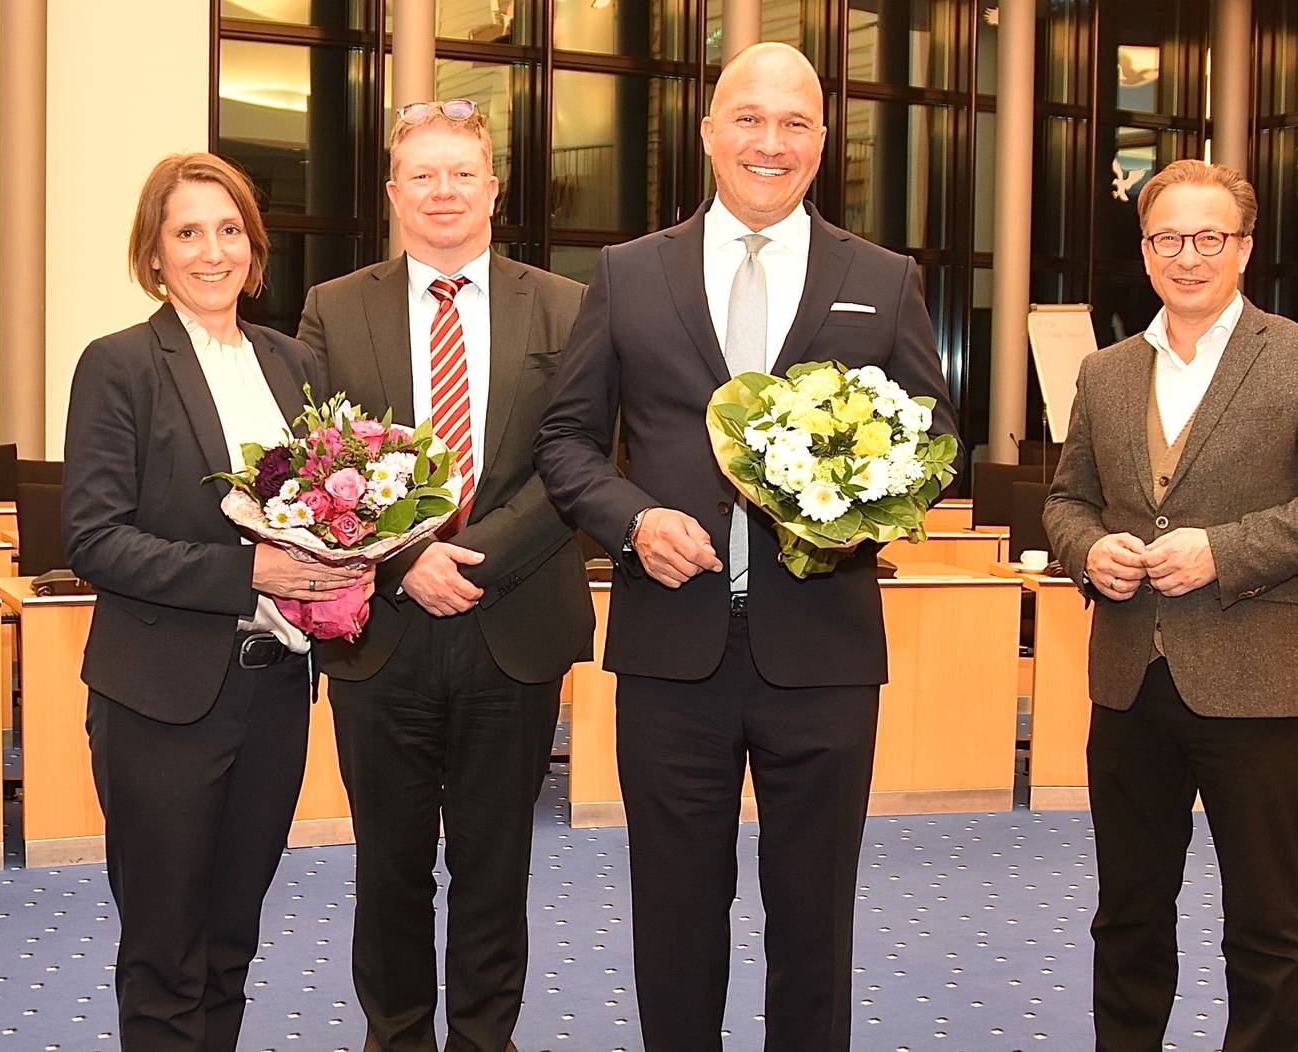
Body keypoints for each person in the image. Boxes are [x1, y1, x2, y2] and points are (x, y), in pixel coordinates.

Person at [534, 43, 956, 1050]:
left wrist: (852, 505)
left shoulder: (881, 279)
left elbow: (933, 443)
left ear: (822, 142)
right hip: (670, 650)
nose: (770, 143)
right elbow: (564, 440)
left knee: (815, 923)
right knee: (674, 921)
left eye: (795, 123)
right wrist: (632, 520)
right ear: (710, 132)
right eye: (750, 120)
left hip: (824, 650)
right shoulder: (629, 273)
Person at [1043, 160, 1298, 1051]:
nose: (1186, 257)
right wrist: (1091, 551)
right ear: (1144, 249)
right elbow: (1066, 501)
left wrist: (1223, 551)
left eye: (1209, 238)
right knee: (1128, 917)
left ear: (1244, 246)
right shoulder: (1107, 373)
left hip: (1259, 685)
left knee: (1267, 927)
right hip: (1129, 682)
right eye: (1167, 238)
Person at [297, 100, 594, 1052]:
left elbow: (581, 457)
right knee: (388, 865)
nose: (443, 192)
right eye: (421, 175)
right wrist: (405, 559)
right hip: (381, 633)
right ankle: (397, 1037)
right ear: (392, 193)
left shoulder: (567, 305)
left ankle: (483, 1039)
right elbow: (311, 463)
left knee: (495, 862)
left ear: (494, 187)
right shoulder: (334, 309)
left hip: (514, 623)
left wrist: (469, 559)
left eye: (461, 173)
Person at [63, 151, 370, 1051]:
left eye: (229, 230)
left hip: (276, 693)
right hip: (162, 698)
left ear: (254, 245)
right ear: (153, 255)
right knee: (165, 950)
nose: (211, 251)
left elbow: (327, 511)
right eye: (187, 232)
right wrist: (251, 575)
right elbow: (93, 538)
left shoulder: (295, 366)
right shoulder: (119, 364)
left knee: (232, 940)